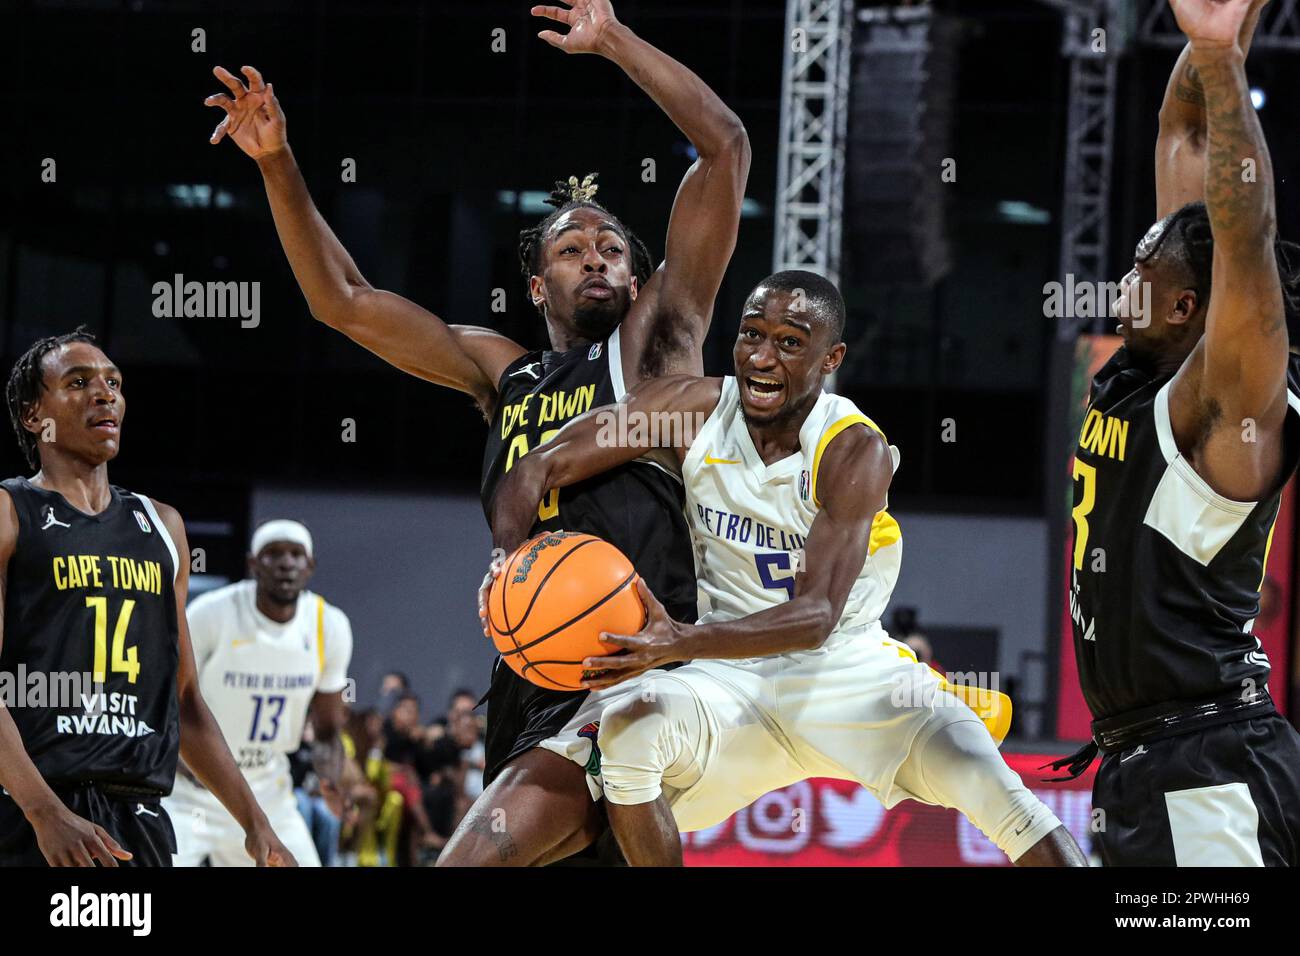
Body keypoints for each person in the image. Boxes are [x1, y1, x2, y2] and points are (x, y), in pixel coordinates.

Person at [203, 0, 749, 865]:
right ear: (536, 287)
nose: (598, 257)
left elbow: (725, 146)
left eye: (612, 247)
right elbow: (343, 303)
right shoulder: (506, 373)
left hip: (636, 658)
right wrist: (277, 165)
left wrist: (613, 42)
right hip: (527, 669)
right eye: (573, 249)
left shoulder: (661, 342)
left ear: (640, 277)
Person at [490, 271, 1087, 866]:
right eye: (752, 334)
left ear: (832, 358)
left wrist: (680, 639)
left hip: (848, 673)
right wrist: (508, 562)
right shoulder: (689, 411)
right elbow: (537, 467)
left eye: (790, 342)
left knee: (1003, 797)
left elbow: (816, 616)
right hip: (730, 681)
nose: (762, 357)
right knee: (628, 732)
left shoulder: (854, 448)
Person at [1051, 0, 1300, 865]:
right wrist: (1212, 38)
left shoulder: (1225, 398)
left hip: (1211, 768)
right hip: (1146, 761)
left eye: (1143, 266)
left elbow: (1245, 233)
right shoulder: (1142, 371)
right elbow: (1183, 130)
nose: (1125, 272)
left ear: (1192, 304)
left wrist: (1229, 65)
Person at [0, 330, 294, 866]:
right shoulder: (9, 512)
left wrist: (256, 825)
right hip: (34, 809)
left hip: (142, 820)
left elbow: (183, 701)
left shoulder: (161, 525)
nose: (104, 394)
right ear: (31, 414)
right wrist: (42, 812)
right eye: (78, 382)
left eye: (114, 382)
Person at [162, 519, 353, 866]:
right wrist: (176, 754)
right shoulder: (211, 613)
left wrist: (331, 778)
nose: (285, 563)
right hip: (194, 793)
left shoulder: (330, 625)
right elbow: (167, 695)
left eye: (296, 555)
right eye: (274, 554)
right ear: (253, 564)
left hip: (268, 797)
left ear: (309, 567)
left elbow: (327, 731)